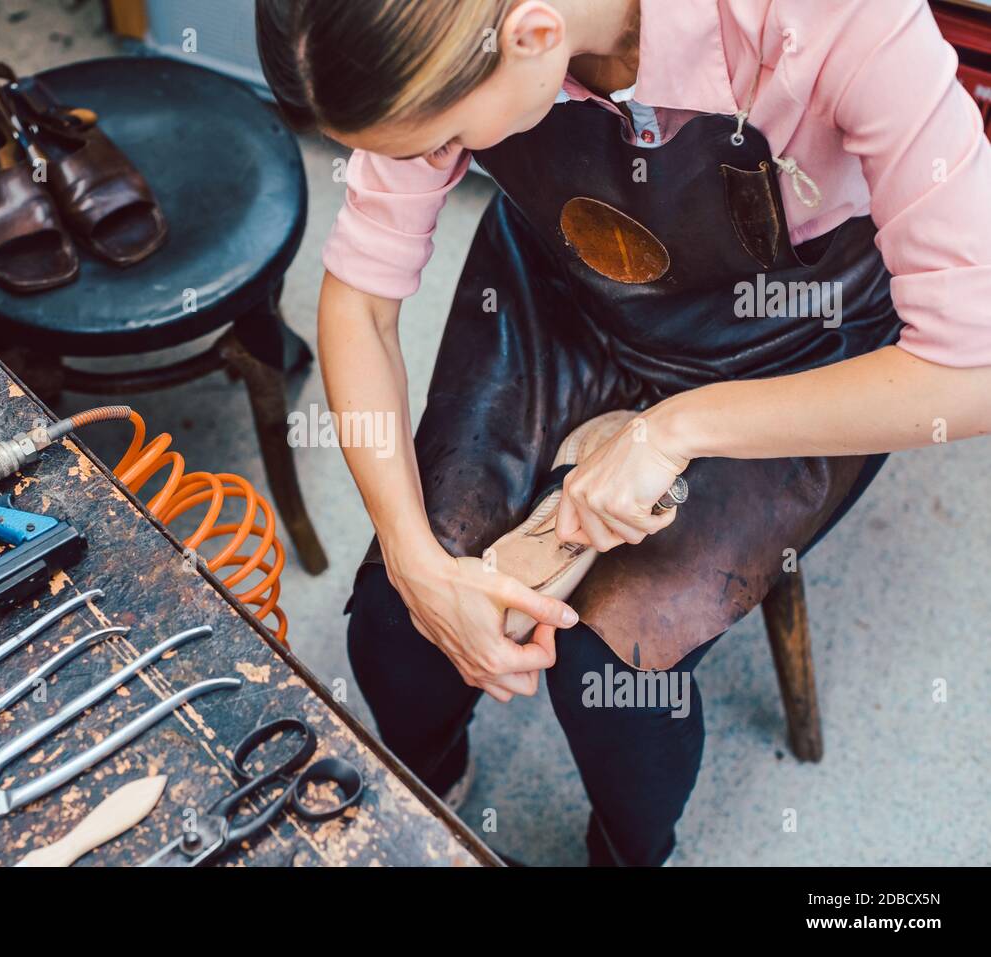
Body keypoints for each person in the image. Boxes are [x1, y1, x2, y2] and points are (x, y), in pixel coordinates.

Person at [255, 0, 991, 865]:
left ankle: (624, 852)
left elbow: (972, 368)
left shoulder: (832, 15)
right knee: (394, 620)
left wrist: (673, 430)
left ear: (533, 37)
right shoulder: (443, 30)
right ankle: (433, 801)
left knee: (612, 678)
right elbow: (363, 304)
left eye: (437, 138)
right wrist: (415, 559)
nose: (427, 161)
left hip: (789, 335)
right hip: (570, 273)